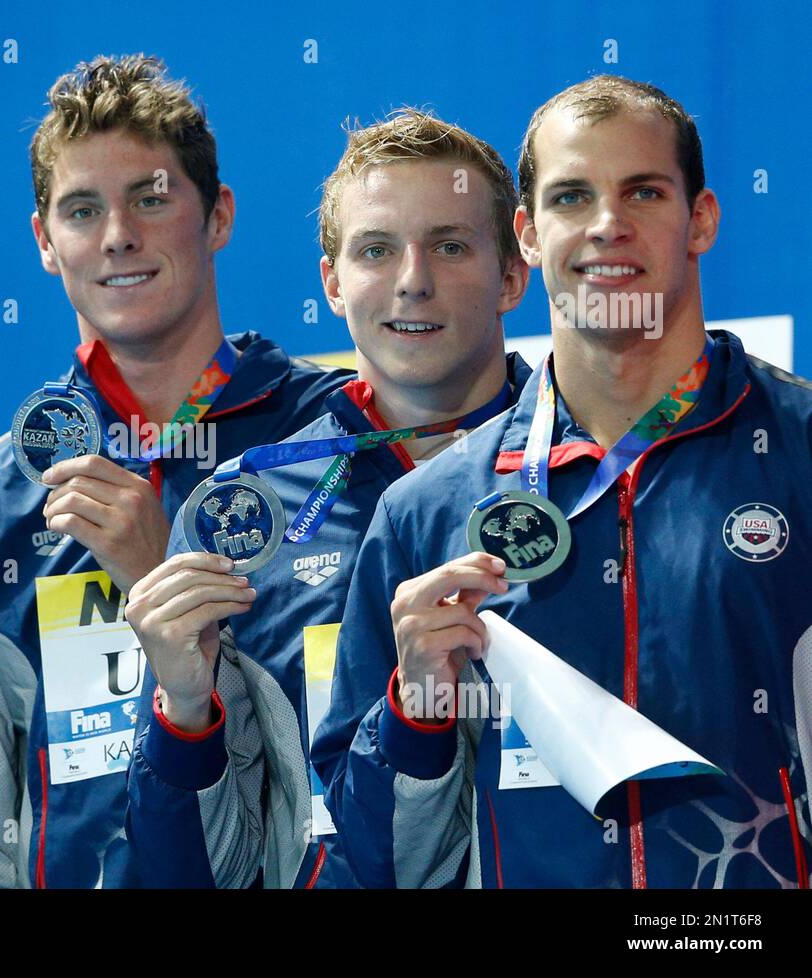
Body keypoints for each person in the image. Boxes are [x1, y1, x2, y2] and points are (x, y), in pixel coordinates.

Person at [312, 75, 812, 888]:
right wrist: (415, 717)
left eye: (643, 192)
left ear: (702, 220)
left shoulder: (797, 450)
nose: (608, 225)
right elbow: (373, 864)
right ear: (529, 234)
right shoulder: (424, 516)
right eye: (573, 196)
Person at [0, 54, 350, 888]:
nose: (118, 236)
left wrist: (161, 568)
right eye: (82, 209)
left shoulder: (330, 443)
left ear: (218, 216)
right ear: (44, 241)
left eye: (151, 197)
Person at [123, 111, 531, 887]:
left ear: (513, 271)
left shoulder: (586, 481)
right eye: (377, 250)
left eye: (449, 244)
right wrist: (182, 710)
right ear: (332, 282)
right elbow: (192, 875)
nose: (413, 278)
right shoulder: (237, 515)